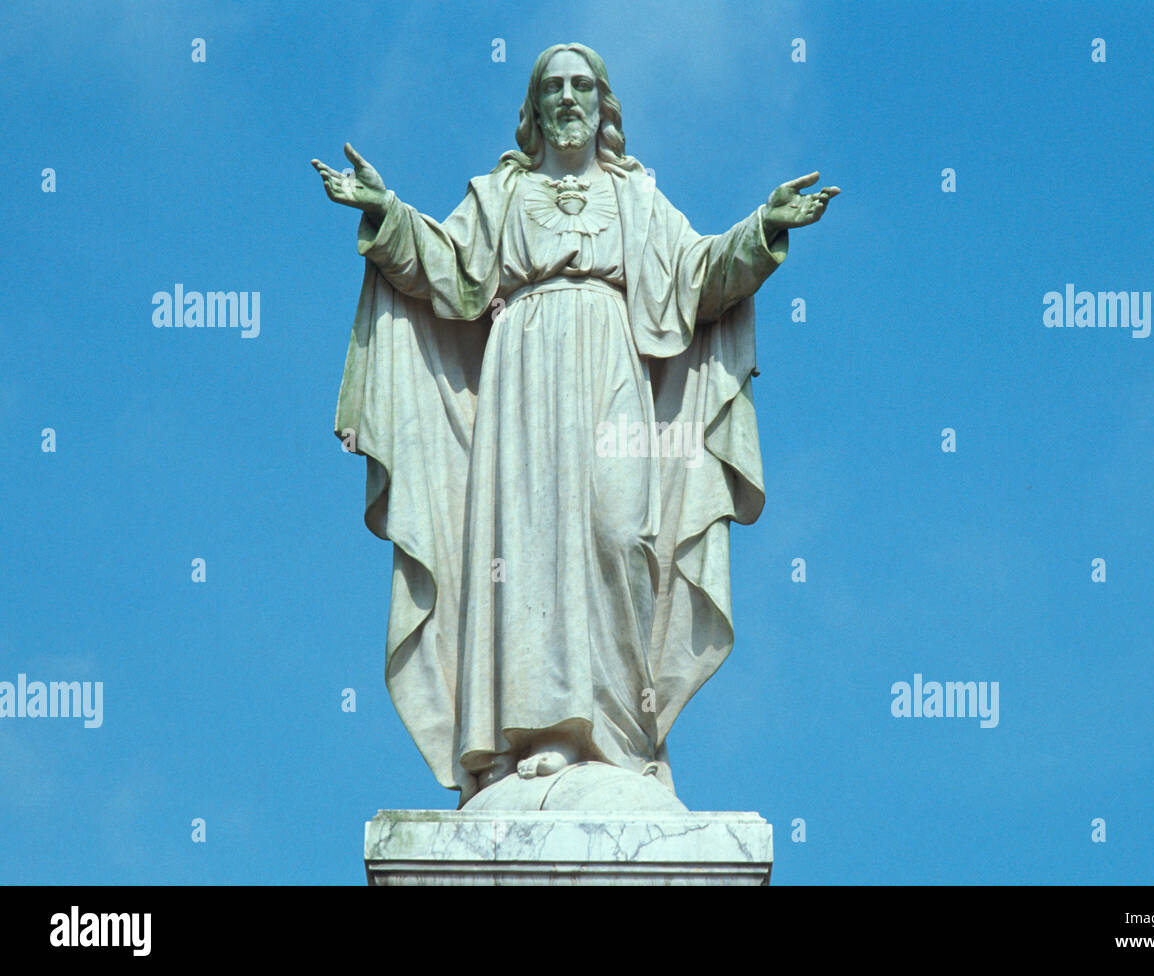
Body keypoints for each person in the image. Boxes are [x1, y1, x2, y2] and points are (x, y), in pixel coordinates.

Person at [311, 43, 837, 806]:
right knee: (525, 544)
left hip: (612, 362)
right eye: (552, 87)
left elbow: (700, 278)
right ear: (532, 109)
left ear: (603, 105)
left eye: (581, 85)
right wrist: (385, 212)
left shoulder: (638, 199)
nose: (567, 97)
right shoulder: (500, 195)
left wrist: (762, 230)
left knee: (622, 533)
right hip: (522, 368)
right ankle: (545, 730)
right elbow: (445, 266)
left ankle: (625, 737)